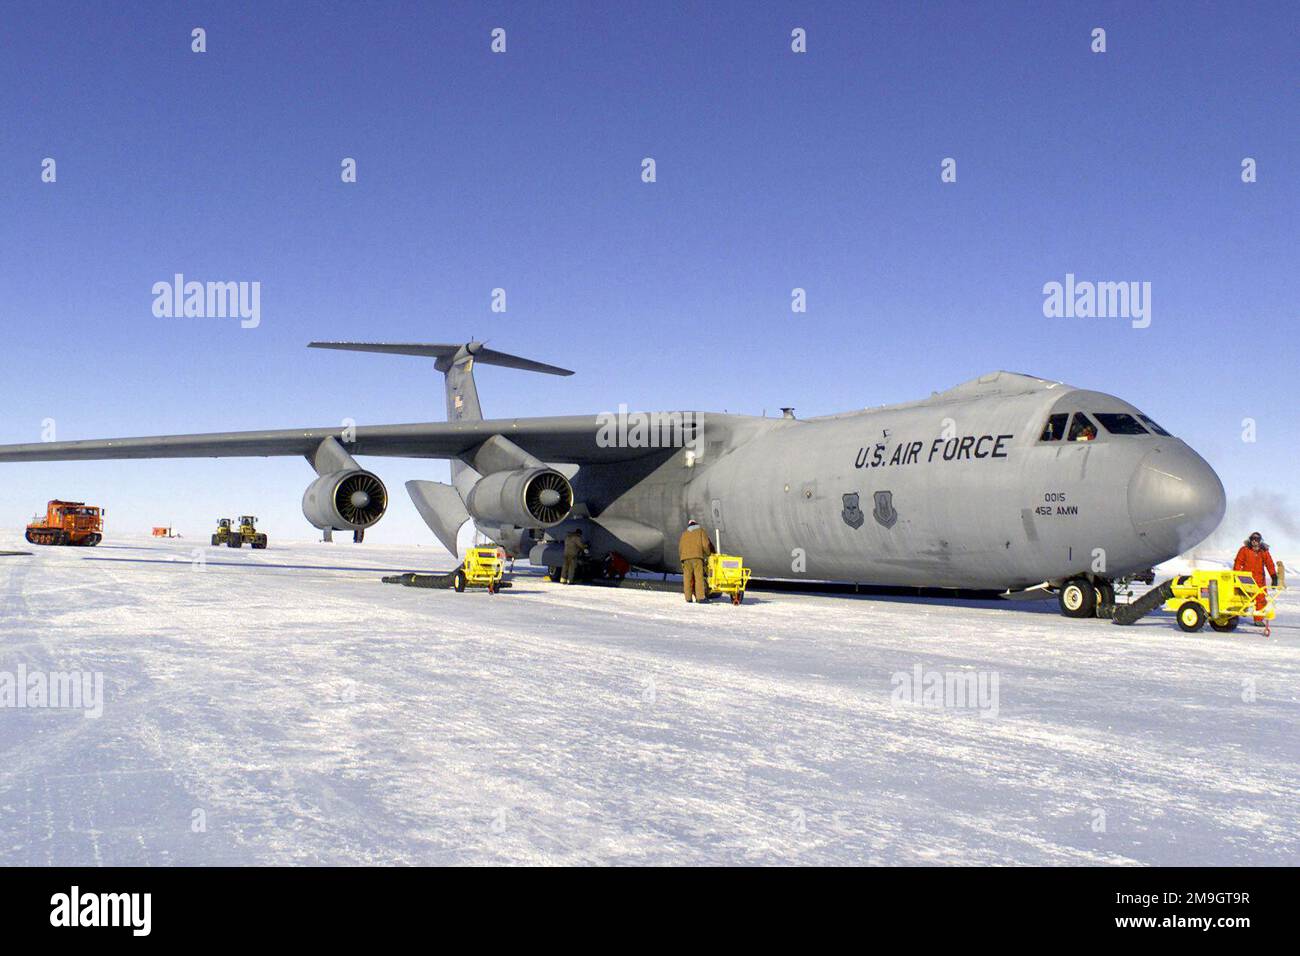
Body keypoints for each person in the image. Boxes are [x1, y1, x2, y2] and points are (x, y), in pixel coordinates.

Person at [1233, 531, 1278, 625]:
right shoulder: (1244, 550)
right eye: (1253, 539)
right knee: (1241, 597)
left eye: (1256, 539)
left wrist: (1274, 577)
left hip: (1259, 579)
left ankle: (1258, 619)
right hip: (1246, 579)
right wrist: (1236, 575)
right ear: (1250, 540)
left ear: (1260, 541)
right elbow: (1238, 562)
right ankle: (1233, 615)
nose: (1254, 541)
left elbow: (1269, 564)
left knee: (1261, 599)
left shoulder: (1264, 551)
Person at [678, 518, 715, 603]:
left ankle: (688, 598)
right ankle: (700, 598)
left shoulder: (684, 534)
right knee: (699, 577)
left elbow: (680, 548)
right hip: (697, 557)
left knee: (687, 578)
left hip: (685, 559)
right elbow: (706, 545)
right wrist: (709, 553)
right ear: (696, 524)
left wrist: (682, 558)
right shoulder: (700, 531)